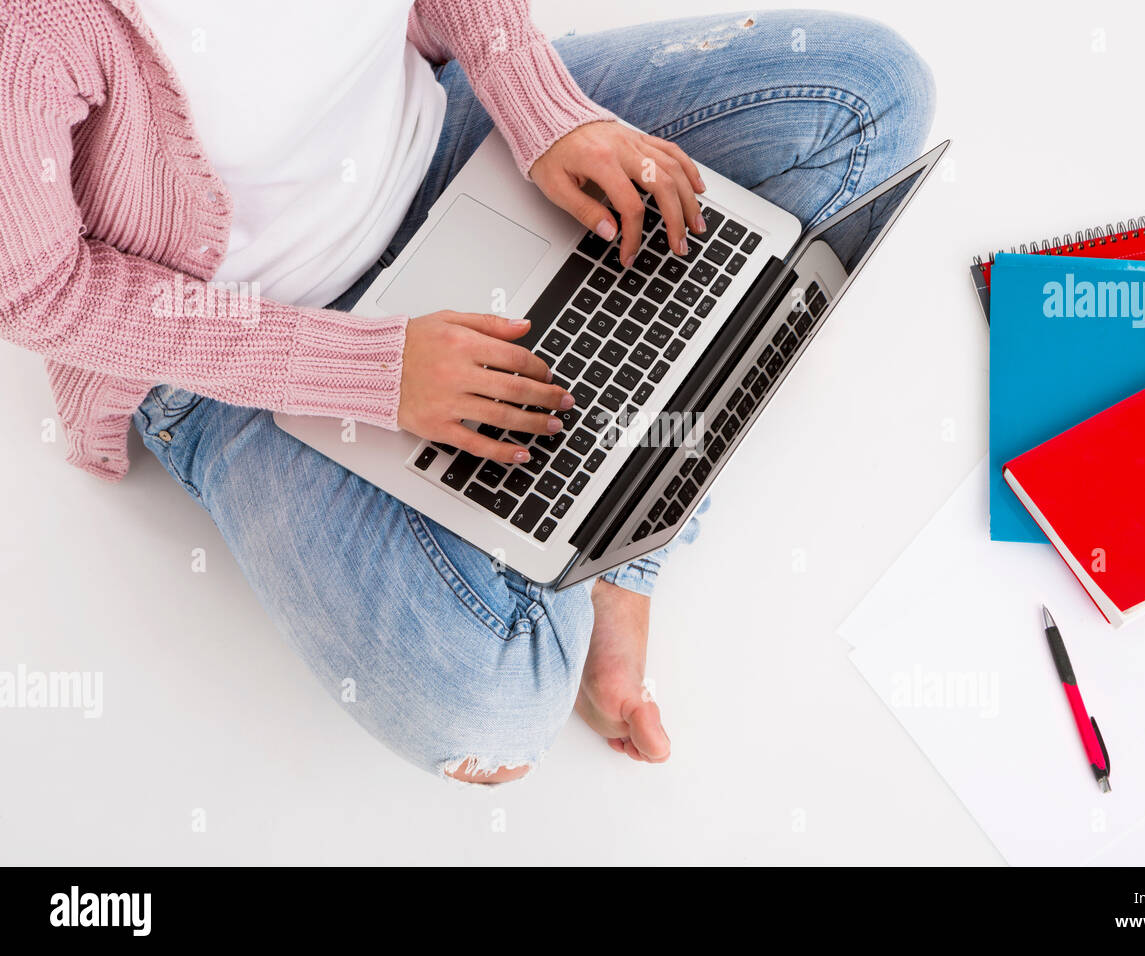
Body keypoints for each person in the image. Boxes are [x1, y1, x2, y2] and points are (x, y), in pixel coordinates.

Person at [0, 1, 934, 783]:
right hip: (239, 352)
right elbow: (38, 290)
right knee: (494, 705)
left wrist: (543, 109)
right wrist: (372, 373)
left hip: (446, 139)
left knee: (868, 93)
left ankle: (619, 540)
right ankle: (616, 510)